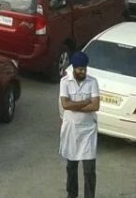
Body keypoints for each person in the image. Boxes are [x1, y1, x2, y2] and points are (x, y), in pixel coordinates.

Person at [59, 51, 100, 198]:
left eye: (84, 69)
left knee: (89, 169)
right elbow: (65, 104)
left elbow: (95, 106)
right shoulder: (65, 82)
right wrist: (85, 102)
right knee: (71, 166)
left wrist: (74, 105)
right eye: (80, 69)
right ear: (74, 69)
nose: (82, 72)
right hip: (71, 129)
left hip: (88, 130)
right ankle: (72, 194)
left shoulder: (92, 82)